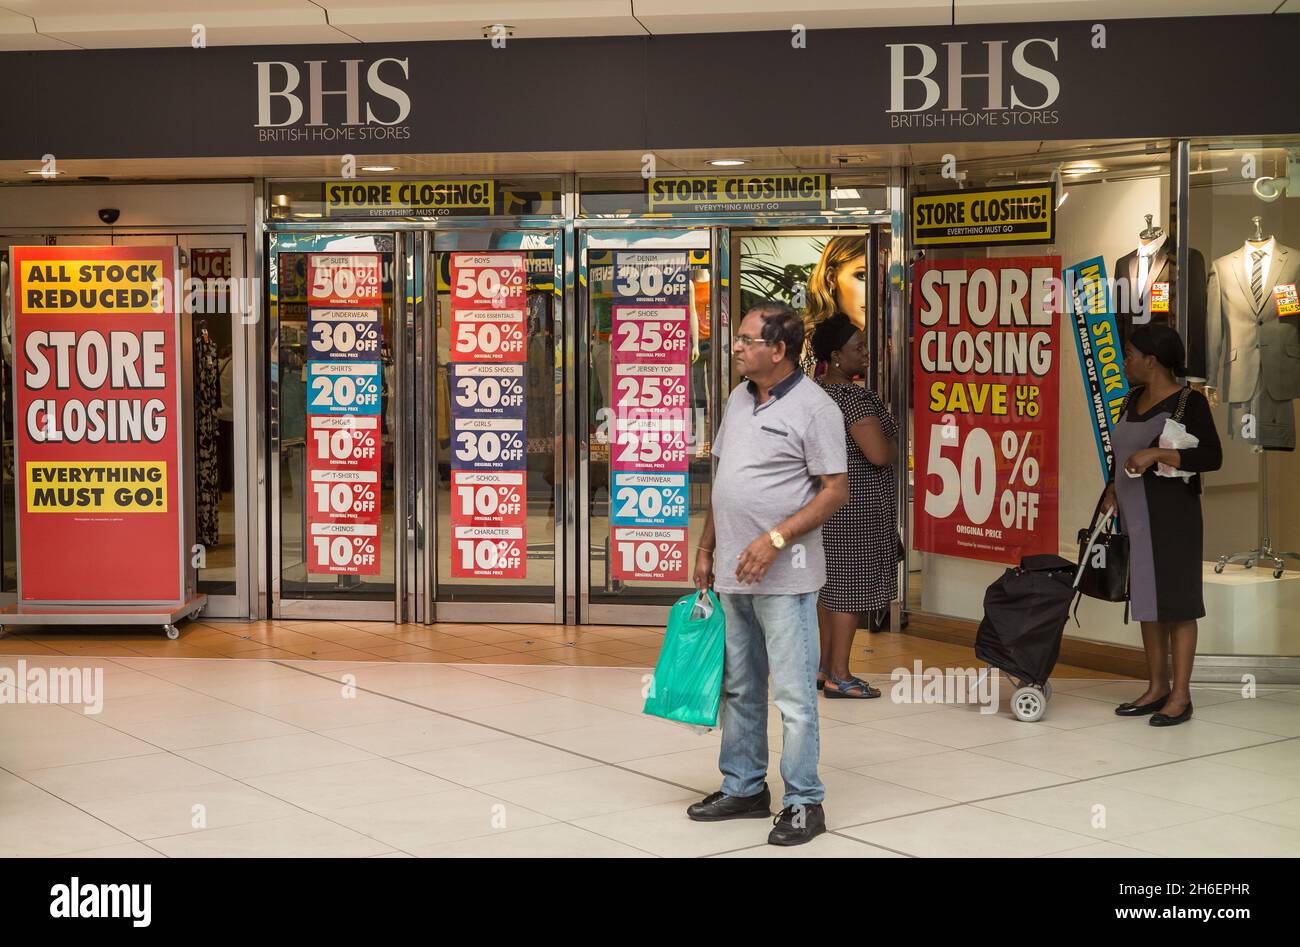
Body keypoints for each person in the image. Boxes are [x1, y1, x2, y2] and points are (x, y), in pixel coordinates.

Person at [688, 300, 848, 846]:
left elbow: (834, 490)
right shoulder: (737, 398)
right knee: (739, 687)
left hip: (786, 577)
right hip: (733, 572)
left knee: (796, 697)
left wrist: (776, 539)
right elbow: (726, 479)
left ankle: (805, 802)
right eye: (737, 338)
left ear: (778, 350)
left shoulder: (816, 407)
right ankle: (744, 787)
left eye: (746, 339)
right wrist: (707, 546)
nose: (735, 346)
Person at [1103, 325, 1222, 727]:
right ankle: (1156, 688)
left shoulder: (1190, 402)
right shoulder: (1131, 399)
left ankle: (1181, 696)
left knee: (1178, 605)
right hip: (1133, 515)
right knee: (1148, 605)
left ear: (1151, 361)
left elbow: (1211, 457)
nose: (1125, 362)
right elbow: (1118, 452)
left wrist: (1157, 454)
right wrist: (1111, 489)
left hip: (1173, 518)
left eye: (1130, 355)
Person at [810, 314, 899, 698]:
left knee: (826, 590)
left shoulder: (812, 393)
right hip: (856, 507)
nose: (865, 354)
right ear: (836, 355)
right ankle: (841, 675)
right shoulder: (854, 398)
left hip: (821, 504)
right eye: (857, 349)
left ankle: (823, 667)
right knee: (847, 591)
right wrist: (898, 448)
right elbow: (878, 453)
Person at [800, 236, 868, 377]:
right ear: (831, 277)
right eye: (863, 275)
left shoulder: (890, 340)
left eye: (887, 277)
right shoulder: (806, 343)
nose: (879, 289)